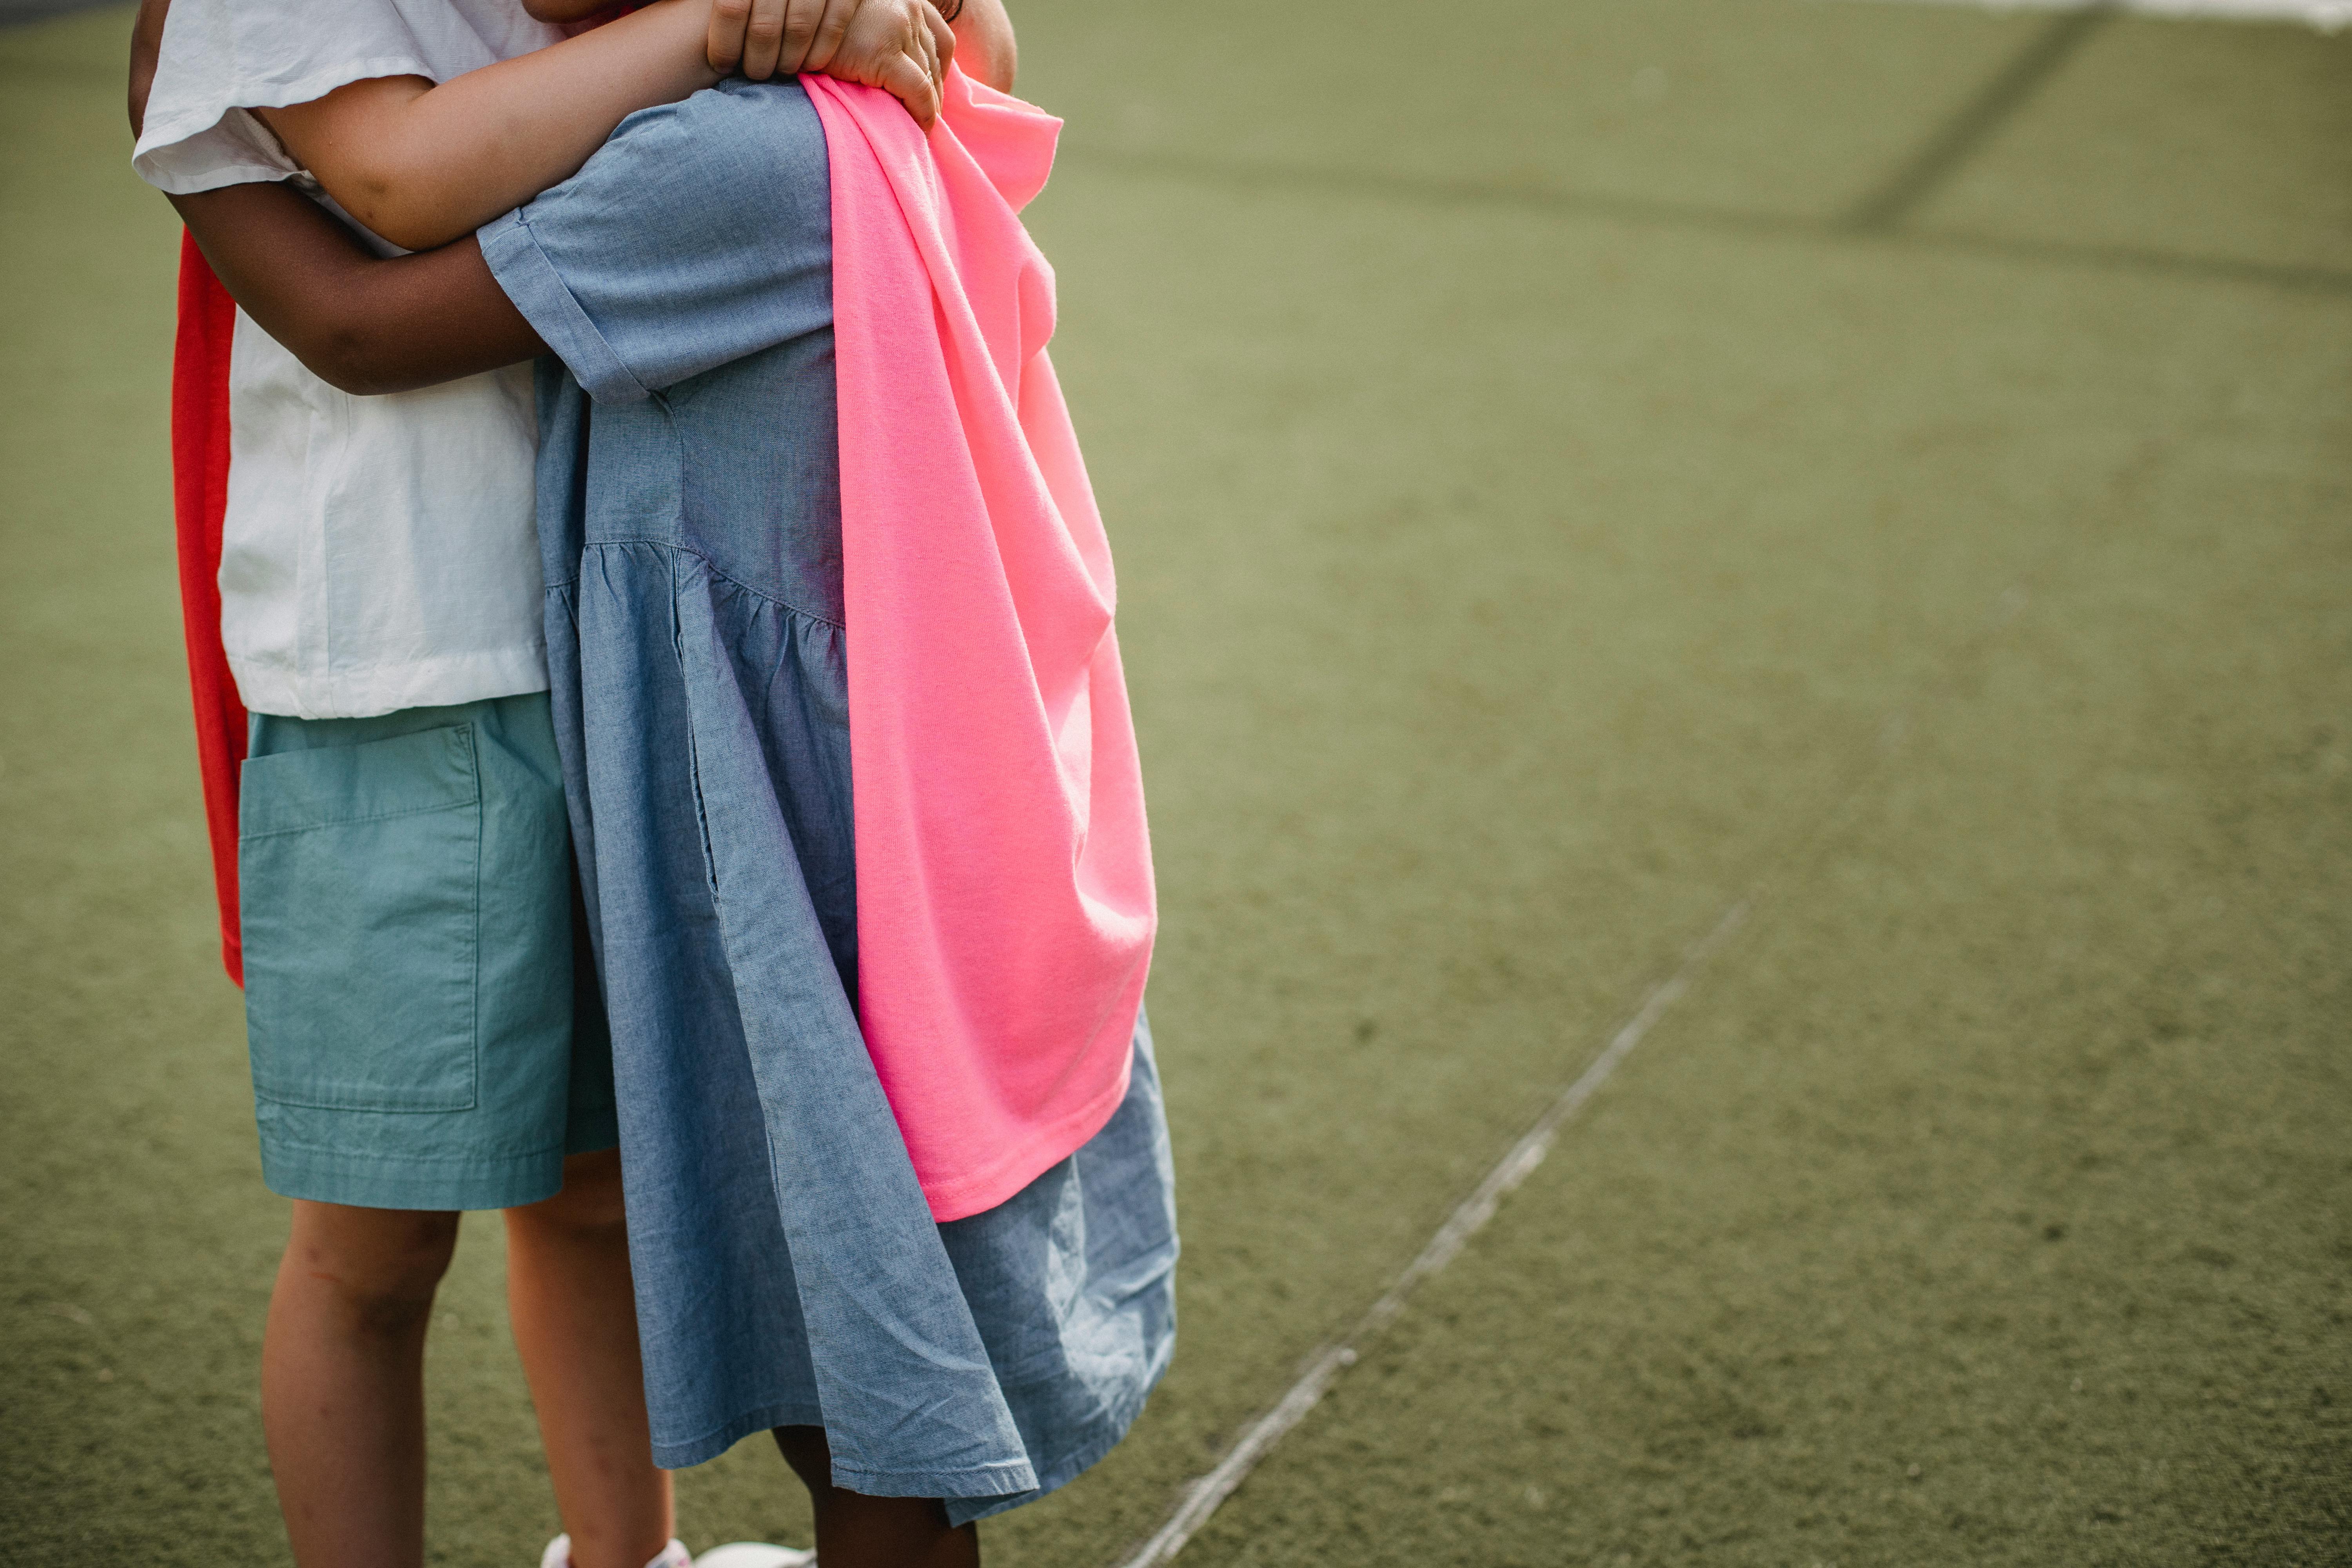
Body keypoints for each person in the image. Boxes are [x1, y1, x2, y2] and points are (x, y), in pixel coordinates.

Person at [138, 4, 1180, 1563]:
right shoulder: (698, 119)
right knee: (375, 1246)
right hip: (409, 672)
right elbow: (379, 258)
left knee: (602, 1201)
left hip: (618, 687)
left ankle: (628, 1555)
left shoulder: (731, 136)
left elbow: (959, 49)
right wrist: (198, 142)